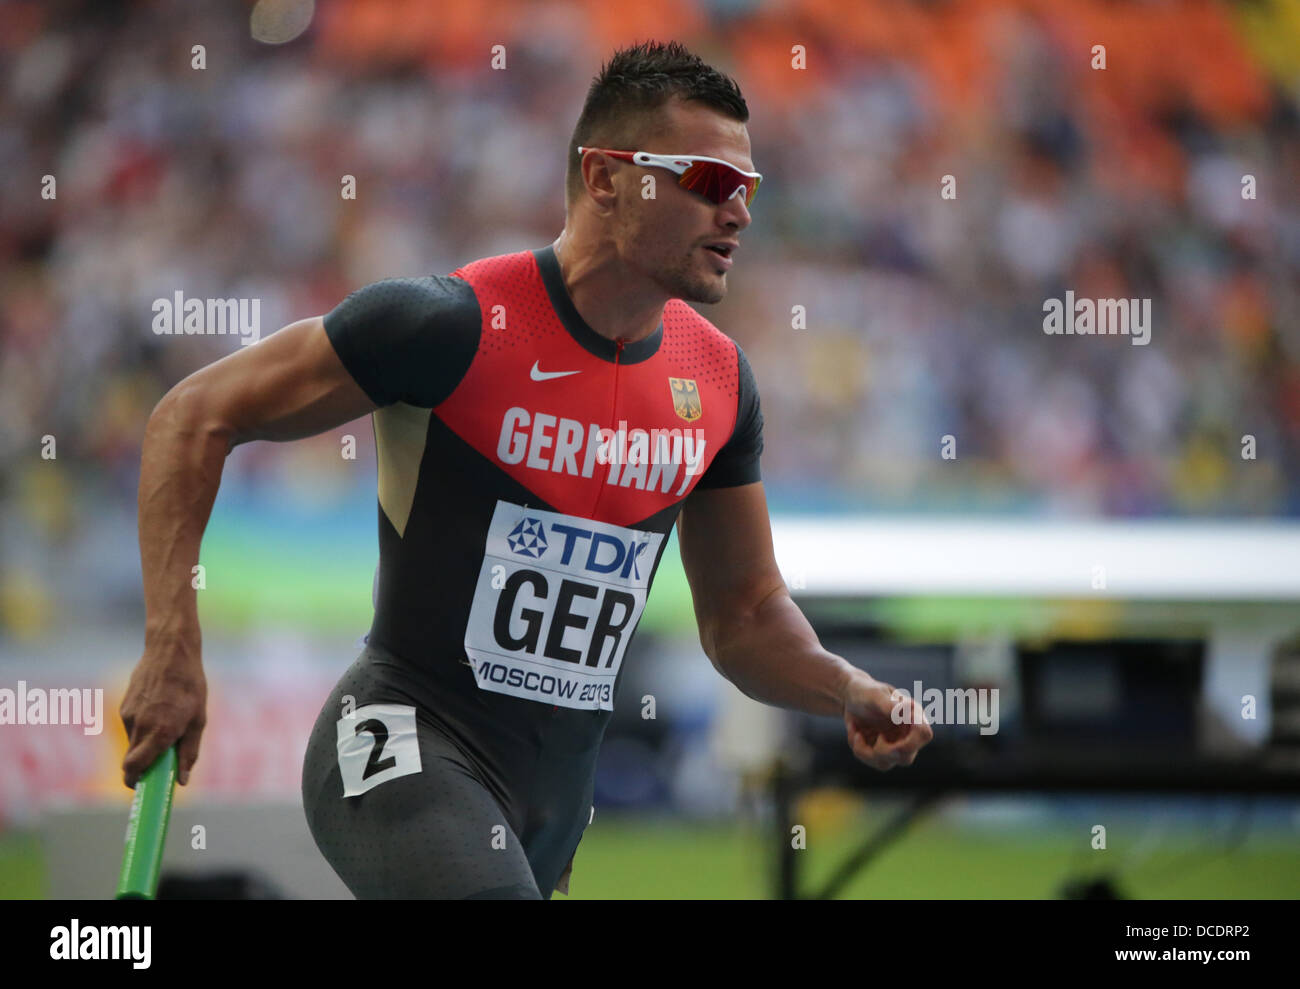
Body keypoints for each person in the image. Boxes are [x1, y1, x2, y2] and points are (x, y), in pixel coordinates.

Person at [119, 39, 932, 900]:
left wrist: (845, 685)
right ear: (607, 177)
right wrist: (172, 643)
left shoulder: (721, 383)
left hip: (553, 799)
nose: (739, 213)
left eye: (748, 188)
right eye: (708, 181)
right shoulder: (445, 326)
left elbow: (746, 616)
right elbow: (192, 416)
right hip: (402, 739)